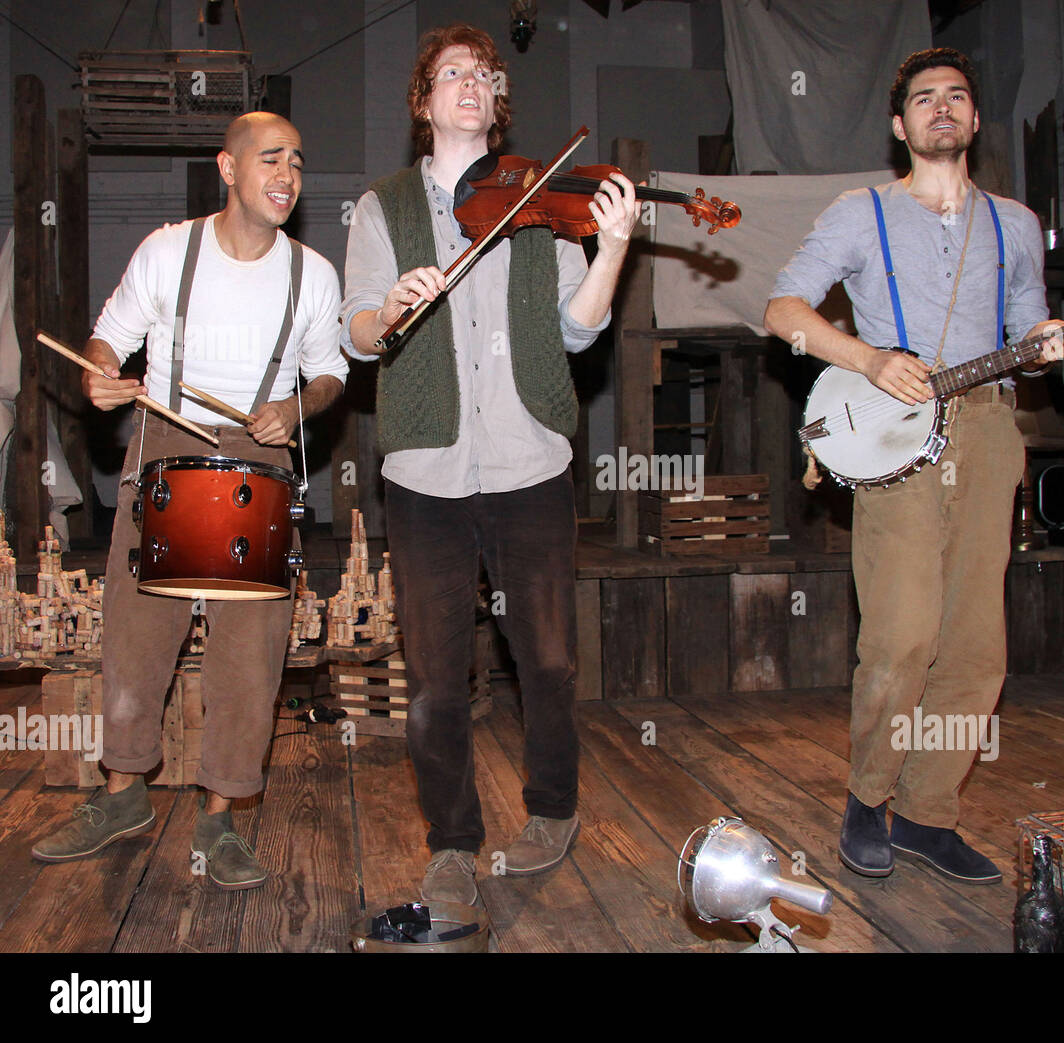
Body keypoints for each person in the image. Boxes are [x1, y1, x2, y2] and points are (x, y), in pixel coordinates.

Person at [340, 23, 637, 906]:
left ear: (497, 100)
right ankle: (451, 843)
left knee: (546, 658)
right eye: (453, 73)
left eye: (486, 73)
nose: (473, 82)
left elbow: (580, 327)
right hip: (426, 473)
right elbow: (358, 333)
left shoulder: (538, 197)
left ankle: (553, 808)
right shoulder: (380, 206)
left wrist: (614, 246)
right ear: (424, 100)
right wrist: (389, 306)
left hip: (530, 459)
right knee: (434, 676)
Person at [764, 48, 1064, 885]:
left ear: (974, 121)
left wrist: (1045, 349)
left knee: (976, 646)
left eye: (958, 97)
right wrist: (865, 359)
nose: (943, 108)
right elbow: (782, 309)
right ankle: (869, 798)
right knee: (902, 635)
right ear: (899, 126)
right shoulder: (859, 212)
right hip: (896, 433)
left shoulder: (1016, 222)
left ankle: (930, 814)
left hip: (989, 429)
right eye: (924, 99)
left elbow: (1028, 339)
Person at [31, 112, 348, 890]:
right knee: (137, 634)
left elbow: (334, 370)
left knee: (250, 650)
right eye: (270, 158)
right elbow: (107, 340)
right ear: (228, 168)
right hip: (165, 446)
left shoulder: (313, 274)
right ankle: (123, 793)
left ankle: (221, 816)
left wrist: (298, 409)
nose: (287, 174)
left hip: (260, 456)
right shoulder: (167, 252)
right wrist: (99, 375)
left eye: (298, 163)